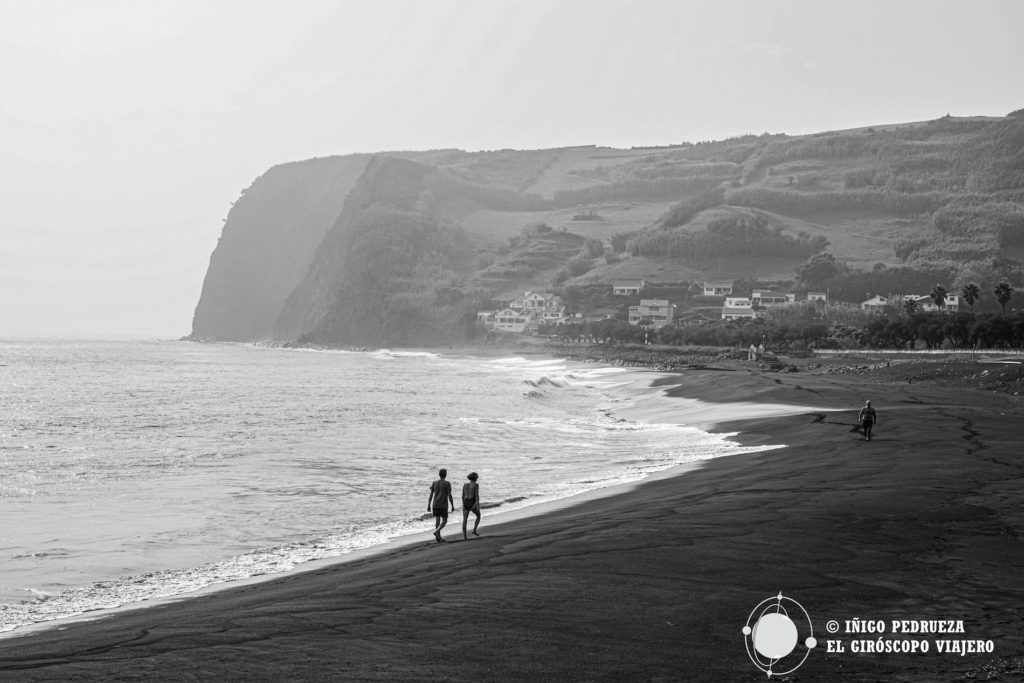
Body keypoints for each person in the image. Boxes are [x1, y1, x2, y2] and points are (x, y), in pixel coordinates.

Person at [427, 468, 454, 542]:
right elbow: (449, 495)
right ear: (446, 475)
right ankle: (436, 532)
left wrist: (428, 504)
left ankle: (438, 538)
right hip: (443, 504)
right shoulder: (447, 483)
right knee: (444, 520)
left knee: (437, 520)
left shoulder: (434, 482)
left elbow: (431, 494)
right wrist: (452, 505)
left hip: (435, 504)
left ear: (439, 474)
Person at [462, 472, 481, 540]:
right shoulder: (476, 485)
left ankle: (465, 537)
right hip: (472, 503)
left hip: (465, 502)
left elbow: (463, 496)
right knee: (478, 516)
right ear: (475, 478)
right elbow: (476, 496)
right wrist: (478, 505)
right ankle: (474, 530)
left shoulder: (465, 485)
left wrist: (463, 504)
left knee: (465, 520)